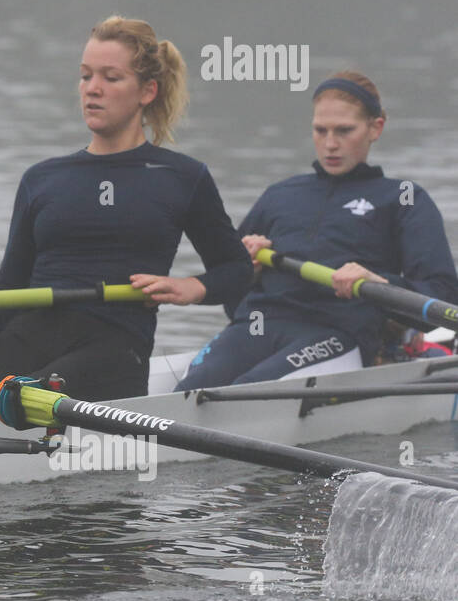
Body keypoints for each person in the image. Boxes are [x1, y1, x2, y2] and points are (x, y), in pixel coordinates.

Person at [0, 16, 251, 418]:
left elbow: (236, 270)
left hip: (115, 345)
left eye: (111, 77)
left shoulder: (182, 177)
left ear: (147, 91)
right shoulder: (41, 178)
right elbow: (11, 285)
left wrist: (191, 287)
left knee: (31, 398)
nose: (93, 88)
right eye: (85, 76)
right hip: (31, 335)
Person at [176, 72, 458, 389]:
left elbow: (443, 297)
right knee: (190, 390)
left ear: (375, 128)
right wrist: (246, 270)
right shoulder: (280, 194)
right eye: (320, 130)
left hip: (337, 333)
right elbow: (231, 302)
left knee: (249, 389)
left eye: (344, 131)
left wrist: (380, 283)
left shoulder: (404, 200)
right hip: (256, 326)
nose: (330, 144)